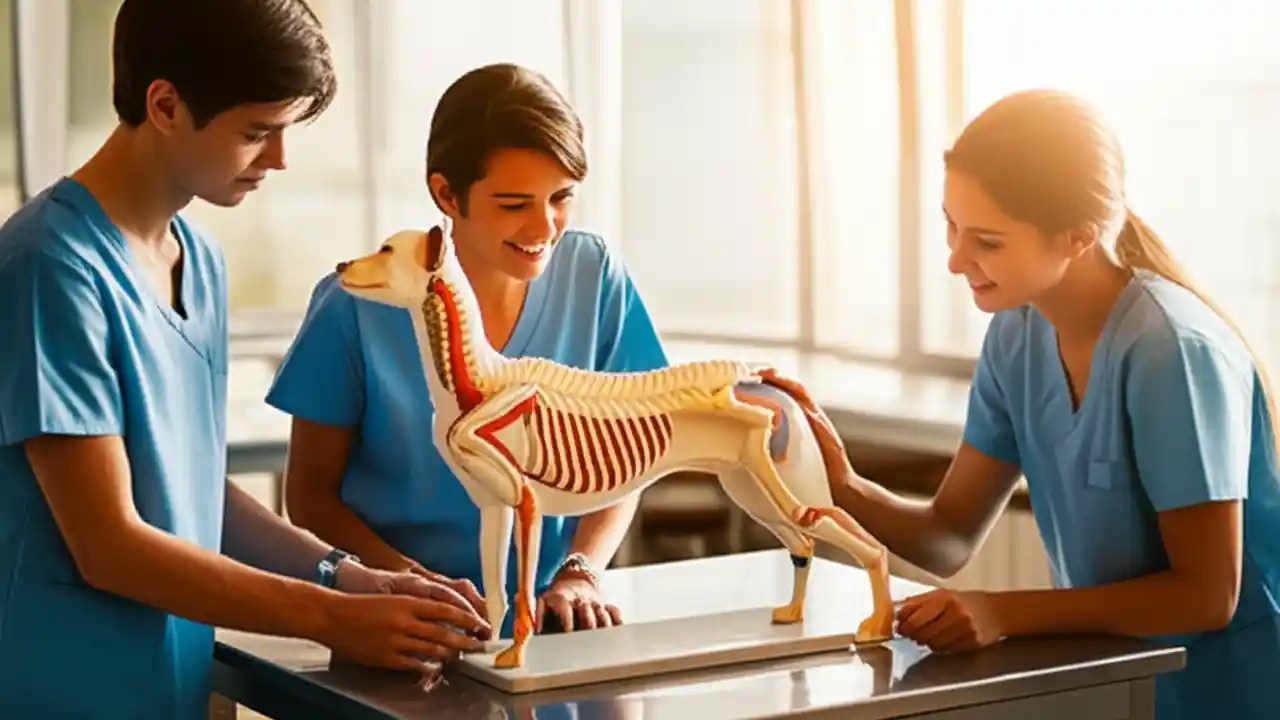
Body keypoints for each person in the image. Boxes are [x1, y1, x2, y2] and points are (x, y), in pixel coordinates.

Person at [0, 2, 490, 718]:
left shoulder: (197, 262)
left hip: (172, 689)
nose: (279, 159)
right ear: (164, 103)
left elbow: (195, 491)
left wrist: (348, 576)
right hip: (63, 690)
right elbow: (110, 544)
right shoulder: (50, 267)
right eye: (257, 132)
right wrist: (327, 616)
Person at [768, 89, 1280, 719]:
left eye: (987, 240)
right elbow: (949, 535)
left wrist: (1002, 613)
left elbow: (1206, 596)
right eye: (951, 226)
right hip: (1122, 687)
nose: (956, 259)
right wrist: (838, 483)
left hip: (1233, 691)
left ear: (1077, 237)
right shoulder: (1016, 335)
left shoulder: (1172, 351)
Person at [266, 62, 668, 637]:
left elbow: (631, 452)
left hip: (552, 624)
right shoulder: (355, 304)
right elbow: (308, 496)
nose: (545, 226)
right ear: (446, 194)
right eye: (513, 204)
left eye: (561, 197)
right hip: (396, 622)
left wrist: (581, 571)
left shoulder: (595, 277)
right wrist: (403, 580)